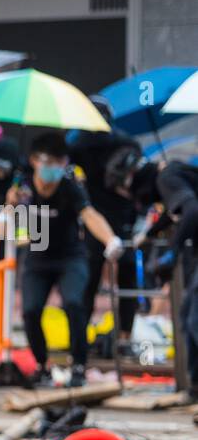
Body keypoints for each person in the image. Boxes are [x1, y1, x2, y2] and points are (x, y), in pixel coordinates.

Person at [6, 132, 126, 387]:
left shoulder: (70, 187)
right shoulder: (23, 186)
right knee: (30, 310)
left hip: (71, 257)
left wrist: (110, 239)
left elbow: (90, 214)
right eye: (48, 161)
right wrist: (11, 203)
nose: (53, 168)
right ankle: (42, 366)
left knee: (74, 304)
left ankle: (79, 365)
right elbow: (8, 215)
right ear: (34, 160)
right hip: (37, 259)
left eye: (59, 163)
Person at [70, 97, 145, 351]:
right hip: (100, 219)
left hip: (113, 219)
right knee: (101, 280)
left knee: (103, 280)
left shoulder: (81, 144)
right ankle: (115, 336)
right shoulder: (85, 144)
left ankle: (116, 336)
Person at [122, 158, 198, 395]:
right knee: (187, 316)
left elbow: (192, 209)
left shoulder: (166, 177)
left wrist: (172, 252)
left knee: (194, 320)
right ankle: (195, 387)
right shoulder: (177, 175)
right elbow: (175, 210)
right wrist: (151, 232)